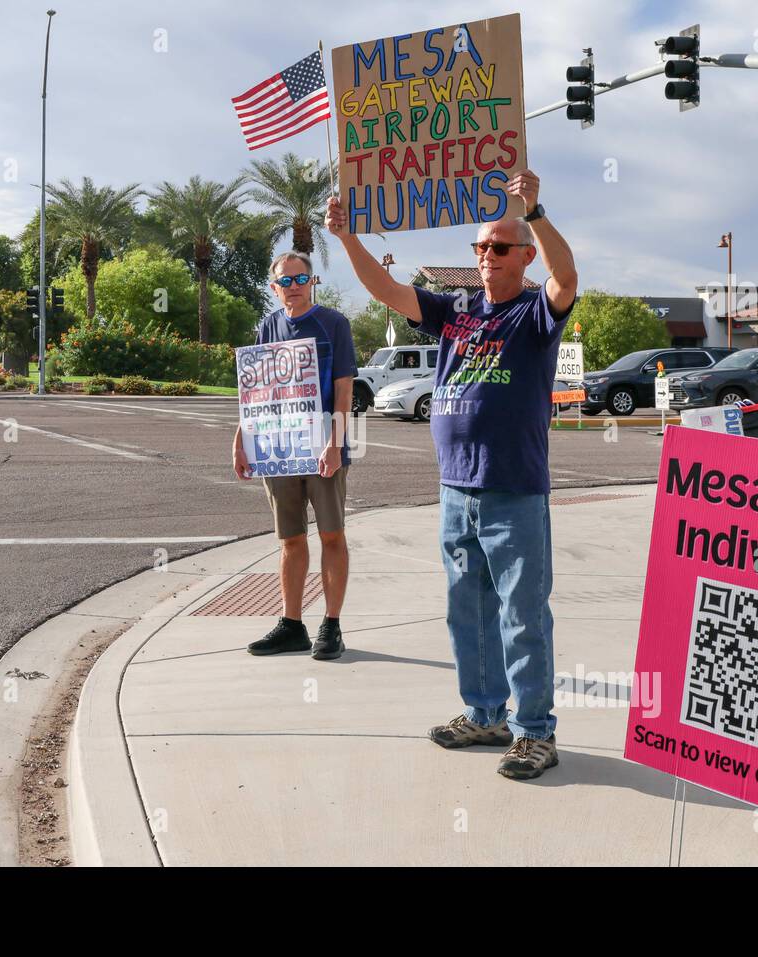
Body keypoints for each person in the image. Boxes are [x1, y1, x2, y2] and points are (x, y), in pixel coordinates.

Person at [327, 170, 578, 780]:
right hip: (455, 488)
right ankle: (487, 713)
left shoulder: (534, 315)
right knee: (467, 611)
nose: (486, 257)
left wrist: (536, 210)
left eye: (498, 247)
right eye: (480, 247)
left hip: (513, 488)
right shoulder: (456, 312)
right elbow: (387, 290)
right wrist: (346, 237)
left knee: (522, 614)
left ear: (522, 257)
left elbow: (566, 277)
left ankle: (535, 731)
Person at [234, 251, 357, 661]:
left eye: (300, 278)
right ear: (274, 288)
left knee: (332, 534)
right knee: (290, 538)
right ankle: (291, 625)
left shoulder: (334, 323)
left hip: (323, 444)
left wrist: (336, 442)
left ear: (312, 281)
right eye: (284, 281)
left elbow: (343, 389)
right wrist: (242, 438)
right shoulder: (269, 325)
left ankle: (331, 625)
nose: (293, 287)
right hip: (278, 447)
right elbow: (256, 390)